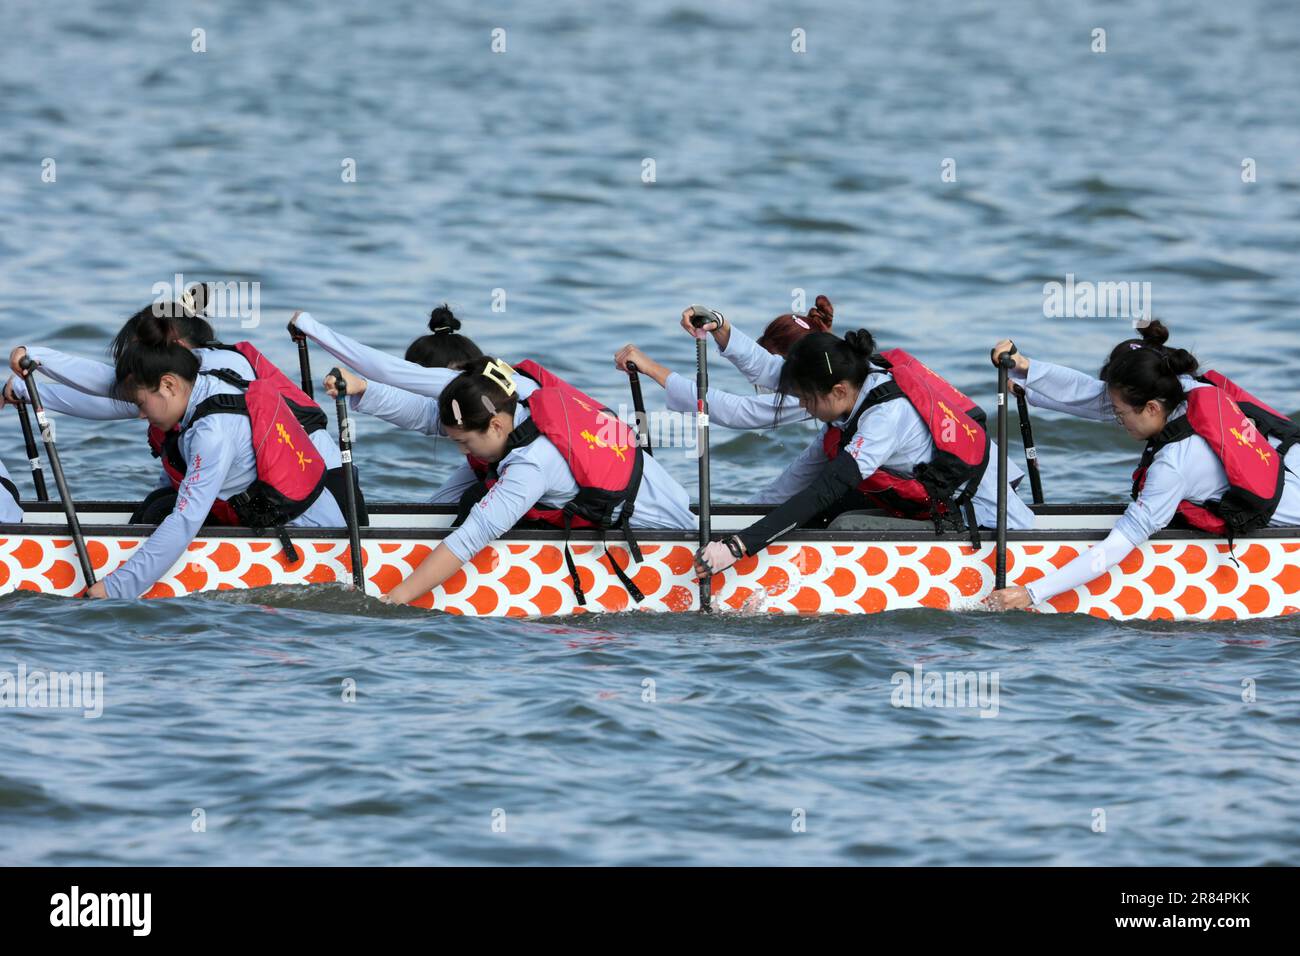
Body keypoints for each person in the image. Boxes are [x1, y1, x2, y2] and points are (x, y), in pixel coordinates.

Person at [325, 357, 695, 607]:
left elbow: (469, 540)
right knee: (474, 496)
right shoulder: (518, 402)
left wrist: (391, 603)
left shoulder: (532, 463)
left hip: (663, 546)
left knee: (475, 506)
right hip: (664, 504)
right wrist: (361, 389)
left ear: (497, 426)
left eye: (465, 443)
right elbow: (425, 415)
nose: (462, 451)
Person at [986, 321, 1300, 611]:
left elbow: (1116, 547)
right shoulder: (1185, 389)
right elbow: (1097, 397)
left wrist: (1030, 593)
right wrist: (1026, 370)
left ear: (1150, 408)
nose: (1116, 420)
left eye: (1120, 415)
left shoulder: (1174, 466)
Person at [689, 319, 1035, 579]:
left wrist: (737, 548)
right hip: (950, 492)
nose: (804, 408)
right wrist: (722, 328)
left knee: (840, 521)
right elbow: (771, 370)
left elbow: (825, 490)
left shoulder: (883, 419)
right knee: (811, 504)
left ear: (837, 391)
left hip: (982, 521)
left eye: (807, 399)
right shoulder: (859, 376)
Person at [80, 315, 347, 599]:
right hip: (278, 518)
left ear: (169, 385)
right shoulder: (202, 389)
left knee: (167, 515)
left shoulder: (212, 432)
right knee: (158, 505)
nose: (141, 415)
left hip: (310, 539)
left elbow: (185, 521)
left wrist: (113, 589)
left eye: (141, 404)